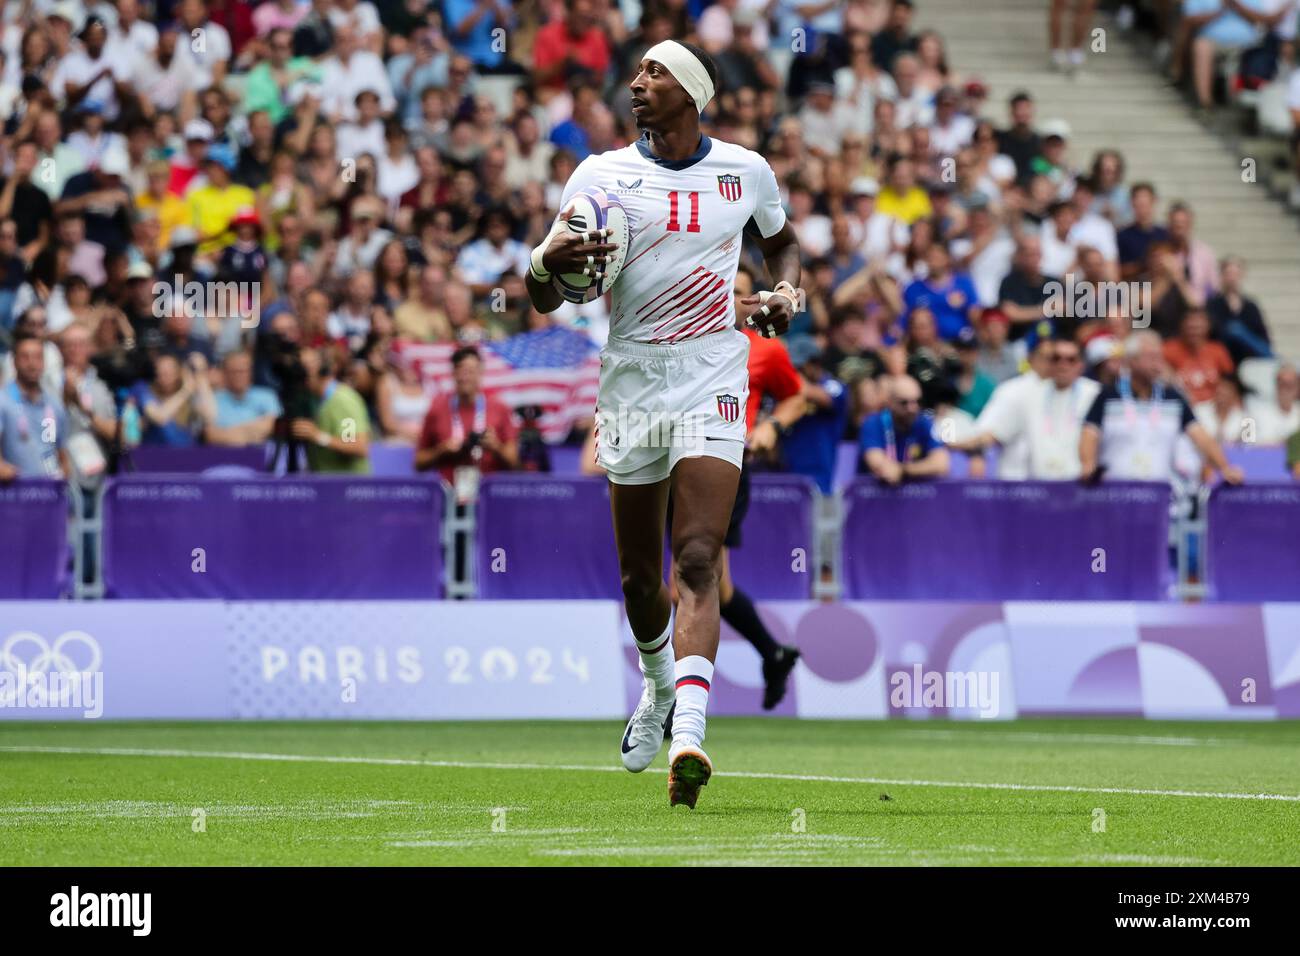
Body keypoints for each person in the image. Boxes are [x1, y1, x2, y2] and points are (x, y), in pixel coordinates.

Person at [524, 40, 801, 809]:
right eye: (639, 73)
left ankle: (692, 734)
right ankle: (656, 688)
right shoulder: (599, 177)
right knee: (640, 576)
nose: (637, 84)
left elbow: (783, 243)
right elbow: (544, 295)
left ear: (693, 93)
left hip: (713, 370)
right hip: (632, 378)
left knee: (700, 556)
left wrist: (786, 295)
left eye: (655, 73)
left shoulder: (744, 171)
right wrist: (550, 262)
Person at [1079, 330, 1243, 484]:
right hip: (1116, 492)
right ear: (1131, 361)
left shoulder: (1173, 398)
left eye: (1159, 357)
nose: (1158, 364)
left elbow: (1201, 437)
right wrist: (1088, 464)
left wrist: (1225, 468)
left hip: (1158, 494)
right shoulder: (1108, 396)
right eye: (1151, 357)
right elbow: (1089, 434)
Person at [950, 336, 1100, 479]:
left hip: (1077, 484)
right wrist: (958, 445)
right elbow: (990, 433)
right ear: (1031, 358)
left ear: (1081, 364)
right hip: (1031, 486)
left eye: (1071, 360)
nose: (1063, 364)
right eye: (1056, 358)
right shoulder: (1023, 391)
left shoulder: (1094, 393)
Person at [414, 346, 518, 482]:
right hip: (449, 491)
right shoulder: (437, 409)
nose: (465, 377)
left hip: (488, 491)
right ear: (453, 373)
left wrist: (495, 446)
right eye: (461, 370)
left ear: (480, 372)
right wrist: (441, 450)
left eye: (470, 371)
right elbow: (418, 463)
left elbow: (515, 463)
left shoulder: (499, 408)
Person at [0, 332, 70, 481]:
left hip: (48, 494)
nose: (32, 364)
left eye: (38, 357)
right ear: (14, 361)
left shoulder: (53, 405)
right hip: (13, 494)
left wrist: (64, 471)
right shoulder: (3, 401)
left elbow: (59, 450)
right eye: (25, 357)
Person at [292, 345, 372, 473]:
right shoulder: (318, 400)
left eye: (306, 366)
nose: (301, 373)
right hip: (328, 484)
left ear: (323, 369)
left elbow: (357, 445)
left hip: (348, 487)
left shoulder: (342, 400)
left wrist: (318, 436)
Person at [859, 374, 950, 483]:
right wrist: (922, 468)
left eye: (916, 401)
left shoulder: (924, 422)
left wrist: (902, 470)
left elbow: (942, 464)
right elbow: (877, 463)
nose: (912, 408)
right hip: (873, 495)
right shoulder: (873, 423)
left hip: (916, 495)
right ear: (890, 402)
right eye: (904, 403)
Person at [205, 349, 282, 446]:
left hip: (263, 457)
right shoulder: (212, 400)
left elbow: (273, 425)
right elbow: (211, 435)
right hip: (224, 457)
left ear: (250, 372)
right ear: (224, 373)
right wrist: (254, 432)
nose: (239, 375)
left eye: (243, 371)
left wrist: (229, 434)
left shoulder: (267, 395)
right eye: (234, 371)